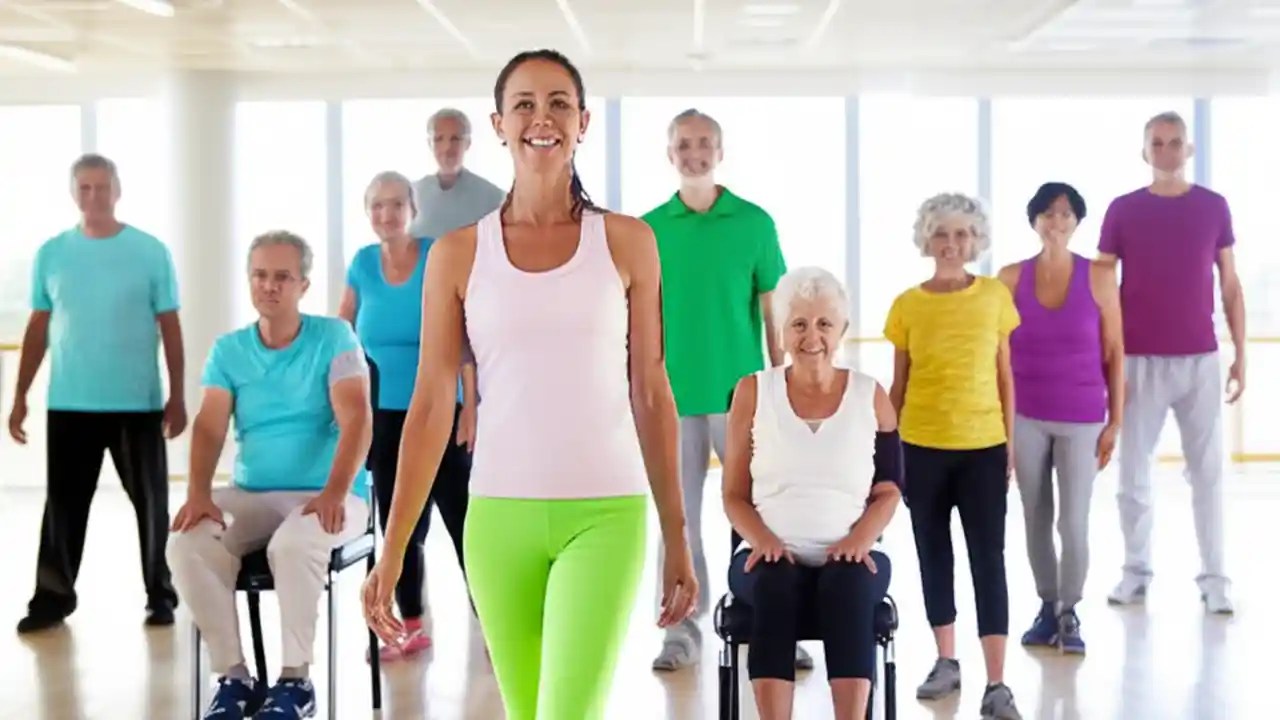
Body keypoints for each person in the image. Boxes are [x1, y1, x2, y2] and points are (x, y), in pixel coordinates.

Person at [361, 49, 698, 720]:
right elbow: (431, 405)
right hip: (498, 519)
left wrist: (677, 535)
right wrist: (393, 547)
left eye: (558, 104)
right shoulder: (457, 253)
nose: (541, 119)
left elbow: (652, 391)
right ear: (498, 123)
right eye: (524, 104)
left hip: (606, 512)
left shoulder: (629, 242)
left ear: (583, 122)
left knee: (567, 712)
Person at [167, 230, 373, 720]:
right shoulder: (230, 350)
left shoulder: (335, 338)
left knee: (293, 544)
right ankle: (234, 678)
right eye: (260, 275)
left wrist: (334, 492)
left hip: (333, 494)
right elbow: (211, 424)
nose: (269, 286)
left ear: (303, 284)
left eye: (282, 276)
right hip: (252, 493)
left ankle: (295, 682)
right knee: (187, 541)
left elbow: (358, 418)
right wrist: (198, 493)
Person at [641, 107, 797, 672]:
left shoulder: (755, 224)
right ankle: (680, 629)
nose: (695, 152)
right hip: (671, 400)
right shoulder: (649, 229)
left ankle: (771, 618)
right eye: (684, 144)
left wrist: (783, 387)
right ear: (670, 153)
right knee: (676, 520)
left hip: (743, 400)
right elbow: (638, 317)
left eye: (705, 143)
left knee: (757, 515)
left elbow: (772, 313)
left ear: (720, 151)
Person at [9, 153, 186, 634]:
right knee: (64, 506)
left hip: (137, 402)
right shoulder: (52, 253)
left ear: (117, 190)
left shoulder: (150, 251)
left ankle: (161, 595)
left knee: (151, 504)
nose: (93, 196)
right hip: (71, 401)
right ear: (73, 194)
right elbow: (39, 325)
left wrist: (177, 395)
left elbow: (170, 325)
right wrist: (20, 394)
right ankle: (52, 599)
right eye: (84, 188)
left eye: (101, 187)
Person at [722, 266, 900, 720]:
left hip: (852, 555)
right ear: (781, 332)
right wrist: (761, 539)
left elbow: (889, 489)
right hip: (767, 556)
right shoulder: (752, 392)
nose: (811, 336)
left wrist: (861, 538)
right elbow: (733, 495)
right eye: (798, 324)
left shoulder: (871, 395)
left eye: (824, 323)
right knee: (775, 581)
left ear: (841, 329)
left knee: (847, 581)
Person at [1097, 111, 1244, 615]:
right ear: (1145, 152)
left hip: (1200, 358)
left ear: (1189, 150)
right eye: (1156, 143)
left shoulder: (1213, 207)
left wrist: (1240, 353)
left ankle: (1215, 578)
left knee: (1207, 474)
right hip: (1139, 360)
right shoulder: (1122, 210)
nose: (1166, 151)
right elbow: (1102, 286)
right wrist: (1106, 356)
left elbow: (1228, 282)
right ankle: (1135, 572)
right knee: (1133, 472)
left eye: (1174, 142)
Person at [885, 193, 1022, 718]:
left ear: (976, 240)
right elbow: (899, 384)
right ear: (927, 238)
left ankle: (997, 683)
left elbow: (1005, 374)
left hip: (984, 448)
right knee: (933, 555)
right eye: (942, 232)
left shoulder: (993, 297)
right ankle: (946, 661)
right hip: (920, 447)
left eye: (962, 234)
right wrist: (886, 454)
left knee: (989, 560)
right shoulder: (906, 305)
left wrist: (1009, 442)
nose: (951, 243)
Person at [339, 171, 476, 662]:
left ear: (412, 209)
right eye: (377, 205)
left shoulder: (437, 255)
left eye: (395, 204)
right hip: (383, 417)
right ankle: (411, 623)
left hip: (442, 408)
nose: (386, 214)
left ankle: (493, 620)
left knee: (464, 522)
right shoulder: (361, 264)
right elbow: (341, 333)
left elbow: (463, 335)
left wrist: (471, 406)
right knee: (401, 524)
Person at [996, 182, 1124, 654]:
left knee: (1074, 520)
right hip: (1026, 415)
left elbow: (1115, 351)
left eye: (1066, 213)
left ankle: (1070, 609)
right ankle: (1047, 607)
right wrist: (1001, 428)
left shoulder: (1100, 277)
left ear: (1076, 222)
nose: (1057, 221)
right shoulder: (1009, 278)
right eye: (1048, 213)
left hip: (1083, 416)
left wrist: (1116, 422)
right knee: (1035, 516)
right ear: (1034, 220)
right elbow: (998, 358)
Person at [407, 107, 507, 239]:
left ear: (468, 143)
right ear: (430, 144)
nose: (447, 147)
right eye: (438, 139)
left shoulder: (493, 198)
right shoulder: (410, 195)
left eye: (455, 139)